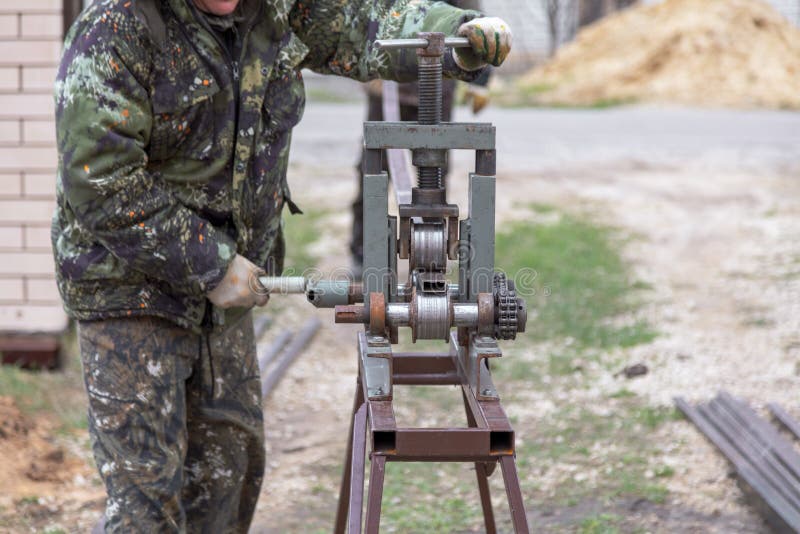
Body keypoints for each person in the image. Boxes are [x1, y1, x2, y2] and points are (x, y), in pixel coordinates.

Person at [53, 0, 511, 531]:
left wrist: (458, 33)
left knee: (228, 483)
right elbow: (100, 179)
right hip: (129, 293)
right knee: (146, 506)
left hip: (224, 303)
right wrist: (213, 264)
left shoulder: (277, 8)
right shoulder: (117, 27)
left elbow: (367, 26)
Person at [349, 0, 492, 272]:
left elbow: (472, 18)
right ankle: (362, 252)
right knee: (372, 170)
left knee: (433, 172)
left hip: (438, 79)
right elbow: (365, 12)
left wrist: (482, 80)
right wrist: (366, 64)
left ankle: (430, 256)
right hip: (387, 81)